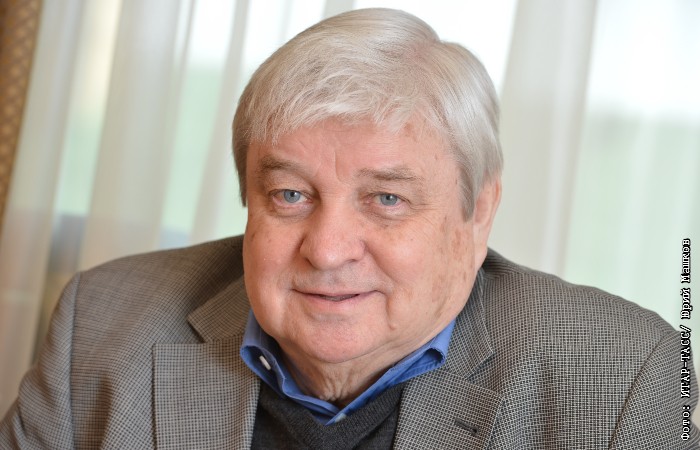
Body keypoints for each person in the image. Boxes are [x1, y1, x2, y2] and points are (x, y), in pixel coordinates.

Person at [1, 7, 697, 449]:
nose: (328, 250)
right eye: (290, 194)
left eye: (387, 199)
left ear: (477, 212)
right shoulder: (103, 326)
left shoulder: (625, 381)